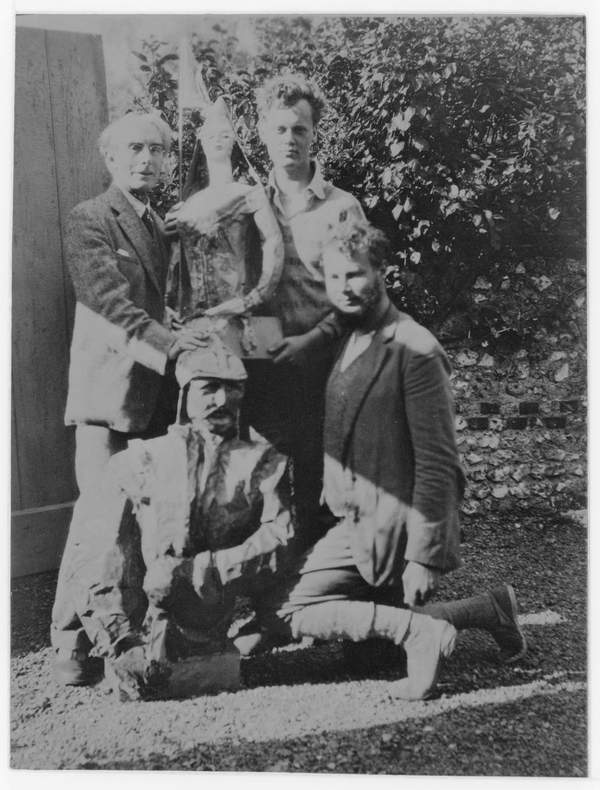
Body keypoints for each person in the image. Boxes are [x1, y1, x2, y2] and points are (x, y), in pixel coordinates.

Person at [234, 220, 527, 700]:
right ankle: (489, 609)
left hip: (390, 528)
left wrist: (424, 557)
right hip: (352, 517)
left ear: (383, 271)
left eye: (355, 275)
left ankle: (422, 633)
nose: (343, 289)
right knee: (369, 654)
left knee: (281, 610)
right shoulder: (350, 331)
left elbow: (440, 464)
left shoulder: (416, 350)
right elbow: (331, 323)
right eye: (332, 278)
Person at [52, 112, 208, 685]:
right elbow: (108, 303)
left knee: (144, 521)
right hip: (108, 397)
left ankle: (125, 637)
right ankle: (69, 641)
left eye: (157, 149)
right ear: (110, 158)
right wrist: (174, 348)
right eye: (133, 149)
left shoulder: (158, 226)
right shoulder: (89, 219)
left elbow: (165, 299)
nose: (146, 158)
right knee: (96, 520)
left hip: (157, 400)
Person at [54, 336, 294, 701]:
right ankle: (93, 642)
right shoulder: (140, 461)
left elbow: (282, 536)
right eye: (210, 388)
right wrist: (120, 640)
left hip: (208, 611)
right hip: (141, 620)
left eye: (233, 389)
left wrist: (208, 568)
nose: (222, 400)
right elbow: (98, 551)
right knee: (102, 526)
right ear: (185, 397)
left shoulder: (264, 463)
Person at [242, 73, 366, 543]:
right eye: (280, 129)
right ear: (262, 133)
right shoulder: (245, 202)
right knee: (265, 483)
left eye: (300, 129)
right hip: (263, 359)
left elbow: (358, 296)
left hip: (323, 362)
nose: (290, 140)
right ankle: (269, 596)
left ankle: (320, 597)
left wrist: (313, 342)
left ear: (315, 133)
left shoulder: (342, 207)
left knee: (320, 487)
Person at [165, 96, 283, 344]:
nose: (218, 140)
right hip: (197, 322)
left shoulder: (249, 194)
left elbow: (273, 243)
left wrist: (254, 298)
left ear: (234, 140)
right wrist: (170, 308)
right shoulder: (188, 205)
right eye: (211, 136)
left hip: (244, 318)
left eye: (225, 134)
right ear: (201, 141)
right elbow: (176, 264)